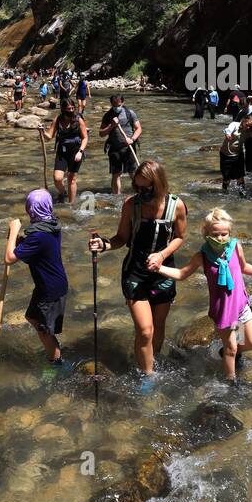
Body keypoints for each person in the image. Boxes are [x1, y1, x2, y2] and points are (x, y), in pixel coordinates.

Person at [88, 161, 187, 386]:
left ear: (159, 184)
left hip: (164, 273)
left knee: (158, 327)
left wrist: (161, 256)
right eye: (137, 187)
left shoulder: (177, 206)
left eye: (146, 188)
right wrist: (103, 245)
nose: (141, 192)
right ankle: (148, 376)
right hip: (135, 273)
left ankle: (151, 360)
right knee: (145, 330)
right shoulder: (131, 205)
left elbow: (180, 237)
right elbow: (121, 238)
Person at [159, 208, 252, 383]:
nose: (220, 238)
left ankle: (227, 353)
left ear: (229, 233)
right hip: (224, 312)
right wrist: (158, 268)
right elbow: (182, 274)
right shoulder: (202, 257)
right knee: (232, 349)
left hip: (241, 305)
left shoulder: (235, 247)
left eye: (224, 234)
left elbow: (244, 267)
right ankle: (231, 381)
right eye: (215, 234)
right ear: (206, 233)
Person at [5, 189, 69, 370]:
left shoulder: (39, 235)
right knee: (32, 317)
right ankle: (53, 350)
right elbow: (35, 249)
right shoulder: (52, 225)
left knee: (44, 330)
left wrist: (13, 232)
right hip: (49, 285)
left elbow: (9, 258)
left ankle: (56, 366)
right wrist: (17, 241)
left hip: (50, 289)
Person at [45, 99, 88, 205]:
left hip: (76, 151)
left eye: (73, 108)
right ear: (63, 109)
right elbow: (49, 137)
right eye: (69, 109)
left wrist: (80, 151)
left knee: (71, 179)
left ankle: (71, 204)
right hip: (62, 151)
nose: (71, 110)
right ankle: (63, 193)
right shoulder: (58, 119)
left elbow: (85, 138)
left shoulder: (78, 119)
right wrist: (42, 131)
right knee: (57, 178)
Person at [100, 93, 142, 196]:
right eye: (114, 105)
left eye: (118, 105)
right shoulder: (108, 115)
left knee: (133, 173)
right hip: (114, 149)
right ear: (111, 104)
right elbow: (101, 133)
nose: (116, 107)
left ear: (122, 103)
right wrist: (111, 125)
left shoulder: (129, 113)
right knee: (116, 174)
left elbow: (138, 129)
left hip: (129, 147)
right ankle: (117, 197)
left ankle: (140, 193)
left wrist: (132, 139)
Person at [220, 112, 246, 193]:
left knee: (240, 177)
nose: (248, 127)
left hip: (238, 155)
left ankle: (242, 194)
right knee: (226, 177)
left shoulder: (249, 130)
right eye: (247, 124)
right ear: (243, 121)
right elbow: (228, 129)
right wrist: (227, 134)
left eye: (250, 125)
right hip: (226, 155)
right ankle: (224, 193)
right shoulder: (234, 124)